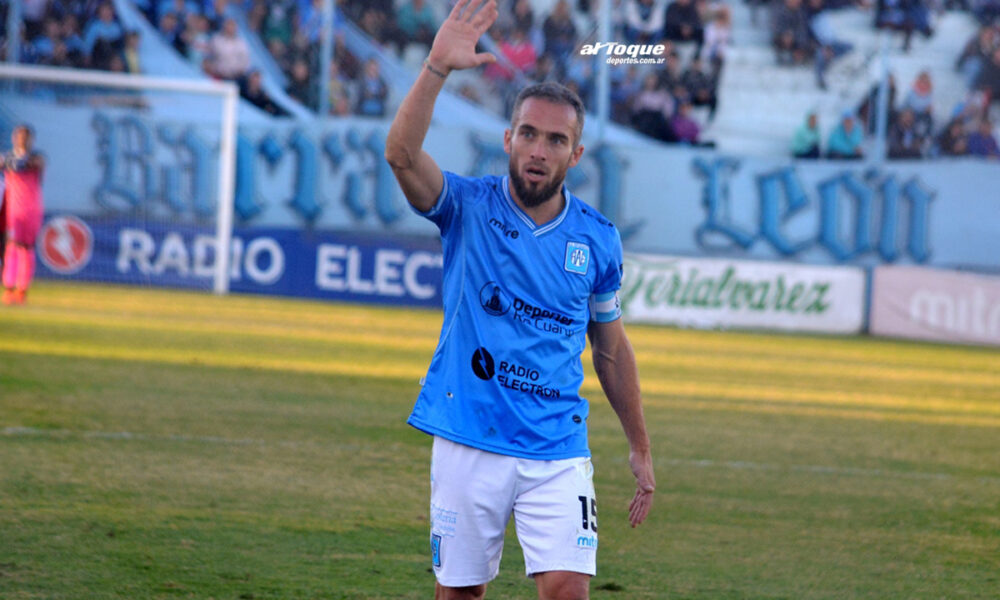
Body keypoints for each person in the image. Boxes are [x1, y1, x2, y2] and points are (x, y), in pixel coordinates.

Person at [383, 2, 656, 599]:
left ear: (575, 155)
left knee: (567, 589)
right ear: (508, 138)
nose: (538, 149)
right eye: (528, 134)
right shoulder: (467, 207)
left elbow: (610, 350)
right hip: (468, 435)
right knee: (461, 594)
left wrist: (639, 445)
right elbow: (401, 155)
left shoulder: (597, 240)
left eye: (556, 140)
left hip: (556, 447)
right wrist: (435, 68)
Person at [1, 125, 46, 306]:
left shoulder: (37, 158)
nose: (22, 140)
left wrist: (7, 161)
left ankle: (22, 290)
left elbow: (24, 165)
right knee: (11, 246)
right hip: (12, 210)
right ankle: (9, 288)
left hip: (31, 210)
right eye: (19, 136)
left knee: (26, 248)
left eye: (25, 137)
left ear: (31, 140)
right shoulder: (8, 157)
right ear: (14, 138)